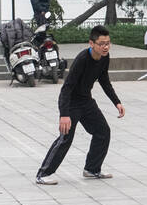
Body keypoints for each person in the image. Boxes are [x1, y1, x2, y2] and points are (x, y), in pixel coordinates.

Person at [35, 25, 125, 184]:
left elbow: (104, 81)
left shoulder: (105, 57)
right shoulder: (82, 59)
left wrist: (116, 102)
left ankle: (92, 169)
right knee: (66, 138)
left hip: (86, 101)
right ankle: (43, 174)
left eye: (108, 43)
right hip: (71, 102)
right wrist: (64, 114)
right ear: (92, 44)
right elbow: (66, 88)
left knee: (103, 131)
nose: (105, 47)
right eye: (102, 44)